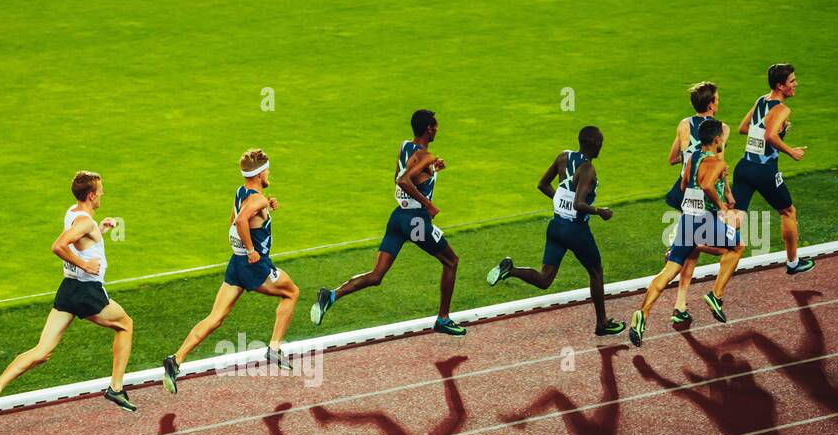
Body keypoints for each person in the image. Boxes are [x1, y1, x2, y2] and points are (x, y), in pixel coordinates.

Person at [0, 171, 136, 419]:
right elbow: (58, 246)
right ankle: (116, 388)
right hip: (87, 291)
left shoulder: (72, 213)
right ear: (91, 195)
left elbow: (81, 243)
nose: (103, 193)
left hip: (69, 288)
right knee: (126, 324)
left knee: (43, 350)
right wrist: (85, 266)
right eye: (101, 190)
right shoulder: (85, 222)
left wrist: (101, 230)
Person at [310, 109, 465, 336]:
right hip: (415, 221)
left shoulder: (405, 147)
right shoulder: (425, 155)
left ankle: (331, 295)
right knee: (451, 261)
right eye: (436, 126)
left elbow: (399, 176)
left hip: (398, 218)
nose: (437, 129)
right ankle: (443, 319)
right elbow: (404, 180)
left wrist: (430, 169)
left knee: (376, 275)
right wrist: (428, 204)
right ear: (429, 129)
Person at [161, 149, 299, 394]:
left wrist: (266, 205)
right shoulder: (256, 200)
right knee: (291, 293)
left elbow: (235, 219)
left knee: (215, 318)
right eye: (267, 170)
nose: (269, 173)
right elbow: (240, 221)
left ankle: (176, 360)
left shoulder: (242, 192)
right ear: (259, 173)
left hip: (236, 263)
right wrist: (250, 249)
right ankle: (274, 348)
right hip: (254, 264)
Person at [485, 126, 625, 336]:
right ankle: (602, 323)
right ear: (594, 144)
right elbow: (578, 204)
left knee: (545, 279)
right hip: (575, 229)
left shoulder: (563, 157)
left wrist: (560, 203)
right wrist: (600, 211)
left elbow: (542, 184)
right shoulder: (588, 169)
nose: (601, 148)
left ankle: (510, 269)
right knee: (596, 272)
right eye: (601, 144)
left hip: (556, 226)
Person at [630, 119, 745, 346]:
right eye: (722, 138)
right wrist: (720, 205)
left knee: (669, 271)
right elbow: (707, 186)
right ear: (717, 140)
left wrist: (724, 190)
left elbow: (684, 187)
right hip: (703, 221)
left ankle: (642, 315)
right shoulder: (717, 163)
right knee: (737, 246)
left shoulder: (692, 158)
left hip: (687, 221)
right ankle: (716, 295)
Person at [734, 63, 813, 275]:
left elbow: (744, 128)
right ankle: (793, 262)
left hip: (744, 167)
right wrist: (791, 151)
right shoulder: (782, 108)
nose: (796, 84)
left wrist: (780, 130)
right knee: (788, 211)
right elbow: (769, 136)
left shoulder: (761, 100)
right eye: (792, 81)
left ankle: (695, 241)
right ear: (780, 86)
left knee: (735, 219)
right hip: (764, 170)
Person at [663, 81, 728, 324]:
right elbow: (717, 167)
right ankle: (681, 246)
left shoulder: (683, 124)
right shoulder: (721, 129)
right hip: (702, 194)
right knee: (728, 246)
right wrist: (724, 202)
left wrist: (690, 155)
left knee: (690, 254)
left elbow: (672, 158)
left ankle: (680, 306)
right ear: (711, 105)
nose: (719, 103)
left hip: (683, 191)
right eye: (718, 99)